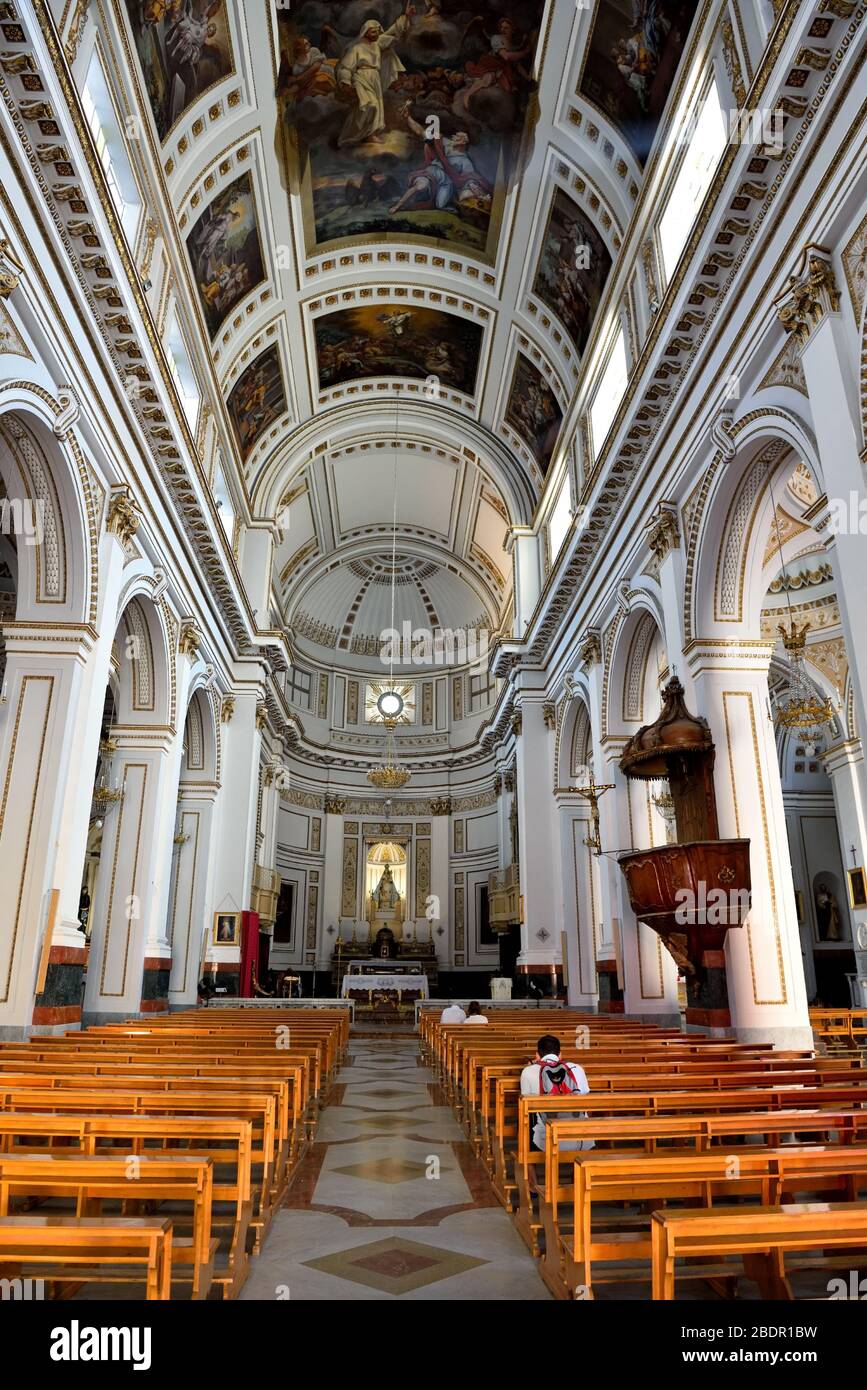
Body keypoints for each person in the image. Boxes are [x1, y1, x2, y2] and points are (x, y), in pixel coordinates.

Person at [336, 6, 415, 148]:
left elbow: (394, 32)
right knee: (369, 104)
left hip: (375, 77)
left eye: (377, 31)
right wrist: (345, 82)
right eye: (373, 31)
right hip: (361, 77)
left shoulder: (377, 44)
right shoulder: (357, 48)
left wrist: (406, 17)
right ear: (366, 32)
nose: (376, 33)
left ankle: (370, 134)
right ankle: (353, 133)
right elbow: (346, 66)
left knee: (377, 105)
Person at [520, 1034, 593, 1153]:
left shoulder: (528, 1072)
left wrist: (529, 1068)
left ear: (537, 1055)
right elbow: (588, 1105)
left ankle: (528, 1164)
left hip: (545, 1140)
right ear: (560, 1055)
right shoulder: (577, 1069)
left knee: (523, 1115)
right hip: (582, 1139)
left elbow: (525, 1108)